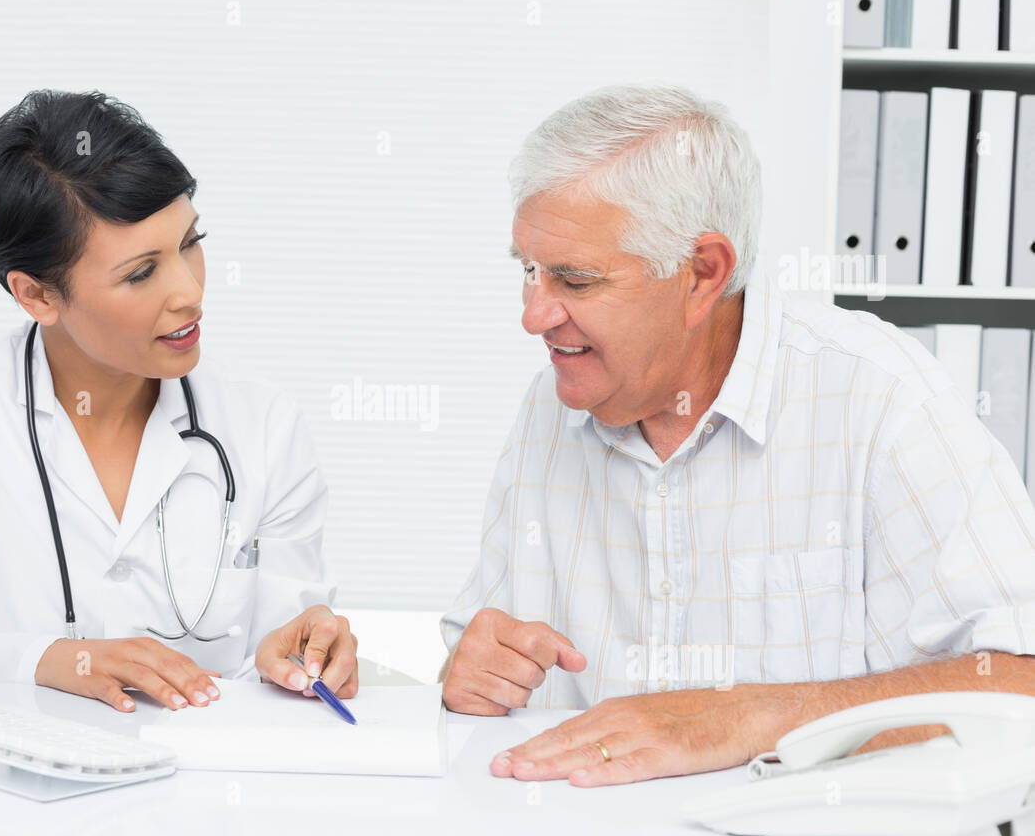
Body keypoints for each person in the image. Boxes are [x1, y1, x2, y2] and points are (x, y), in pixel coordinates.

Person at [440, 83, 1035, 786]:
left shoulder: (880, 399)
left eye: (574, 280)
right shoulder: (554, 403)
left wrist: (754, 716)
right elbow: (488, 673)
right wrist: (472, 677)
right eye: (530, 272)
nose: (535, 315)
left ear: (702, 274)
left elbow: (1020, 681)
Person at [0, 89, 357, 713]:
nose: (189, 291)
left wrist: (305, 653)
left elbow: (285, 661)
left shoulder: (263, 426)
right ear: (37, 295)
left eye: (190, 242)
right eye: (141, 272)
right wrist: (39, 661)